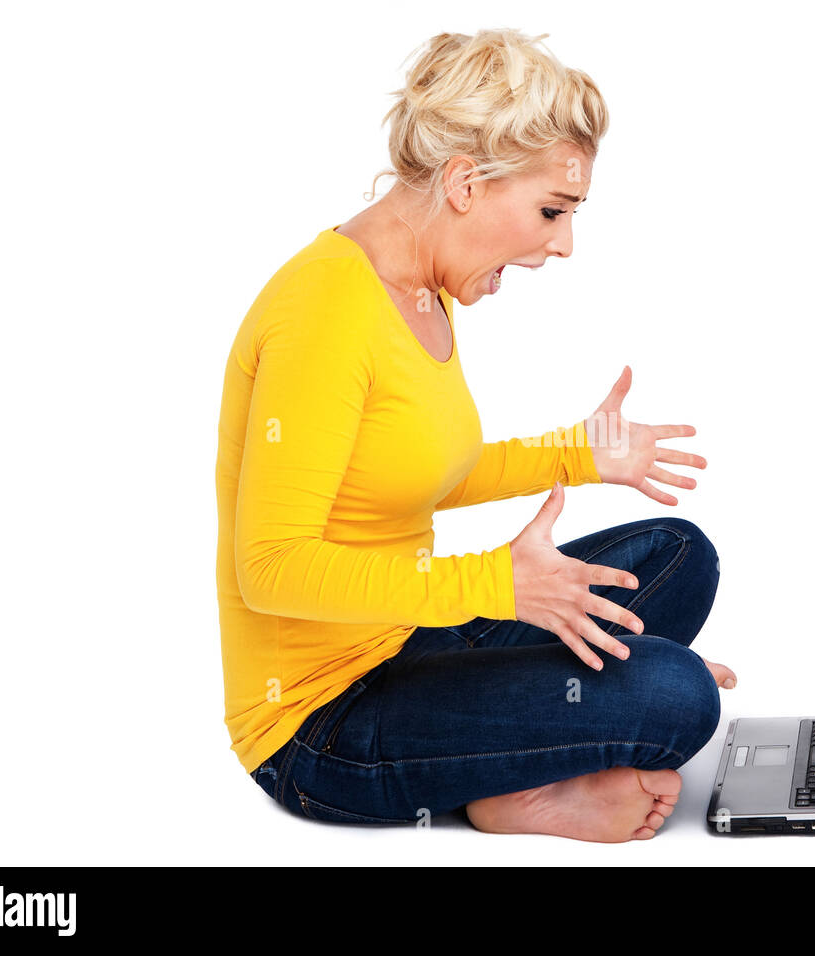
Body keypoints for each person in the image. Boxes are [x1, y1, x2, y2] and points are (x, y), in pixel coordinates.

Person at [215, 28, 736, 842]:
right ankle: (523, 784)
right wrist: (500, 585)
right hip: (322, 726)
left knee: (678, 555)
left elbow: (419, 473)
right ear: (465, 183)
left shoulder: (422, 289)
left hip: (409, 640)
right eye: (551, 211)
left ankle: (532, 743)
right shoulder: (324, 314)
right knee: (678, 696)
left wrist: (580, 455)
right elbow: (270, 571)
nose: (563, 243)